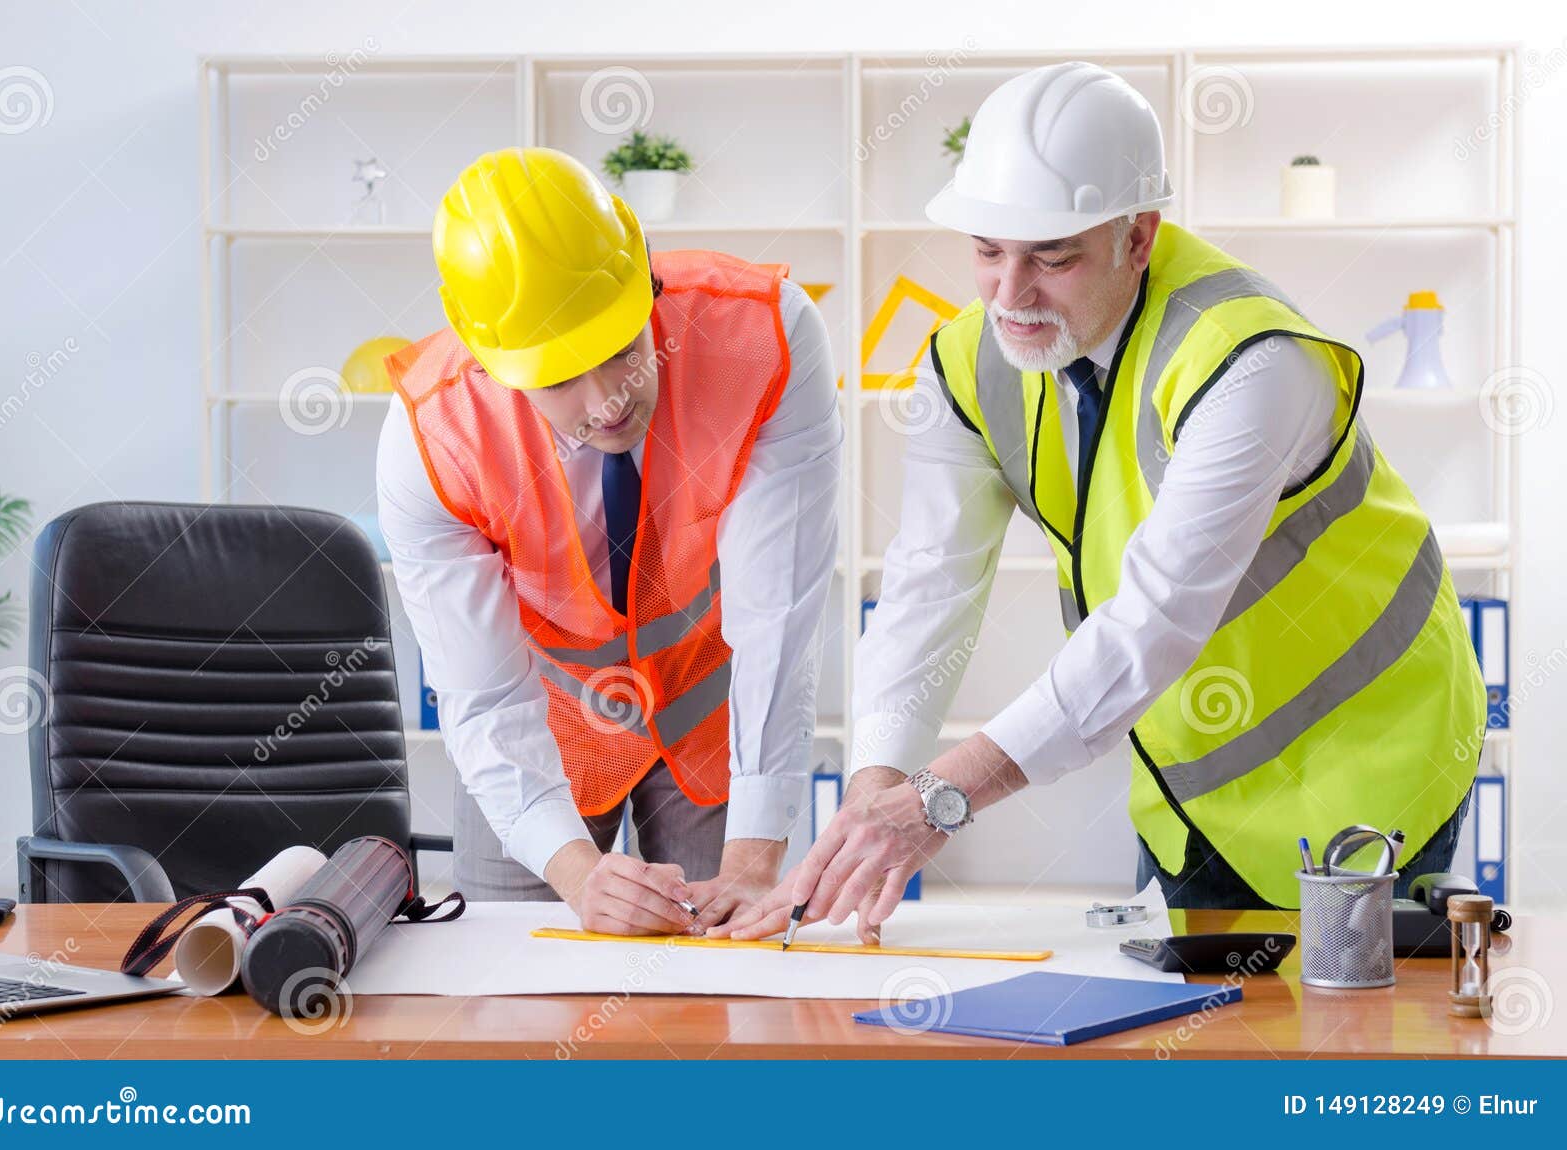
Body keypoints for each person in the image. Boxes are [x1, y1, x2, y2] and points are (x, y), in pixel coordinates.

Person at [725, 62, 1482, 941]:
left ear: (1138, 237)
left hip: (1376, 758)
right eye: (987, 251)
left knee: (1344, 1009)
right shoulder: (966, 363)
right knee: (1188, 1014)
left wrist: (938, 800)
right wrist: (874, 796)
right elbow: (926, 590)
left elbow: (1152, 620)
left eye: (1052, 257)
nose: (1010, 295)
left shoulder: (1251, 359)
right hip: (1191, 780)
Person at [377, 147, 840, 935]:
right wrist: (575, 873)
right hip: (544, 726)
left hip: (709, 713)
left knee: (721, 970)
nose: (607, 402)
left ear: (645, 277)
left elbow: (778, 616)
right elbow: (485, 696)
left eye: (620, 347)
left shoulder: (766, 336)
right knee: (513, 980)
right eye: (559, 379)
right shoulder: (432, 441)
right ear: (491, 360)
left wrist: (754, 857)